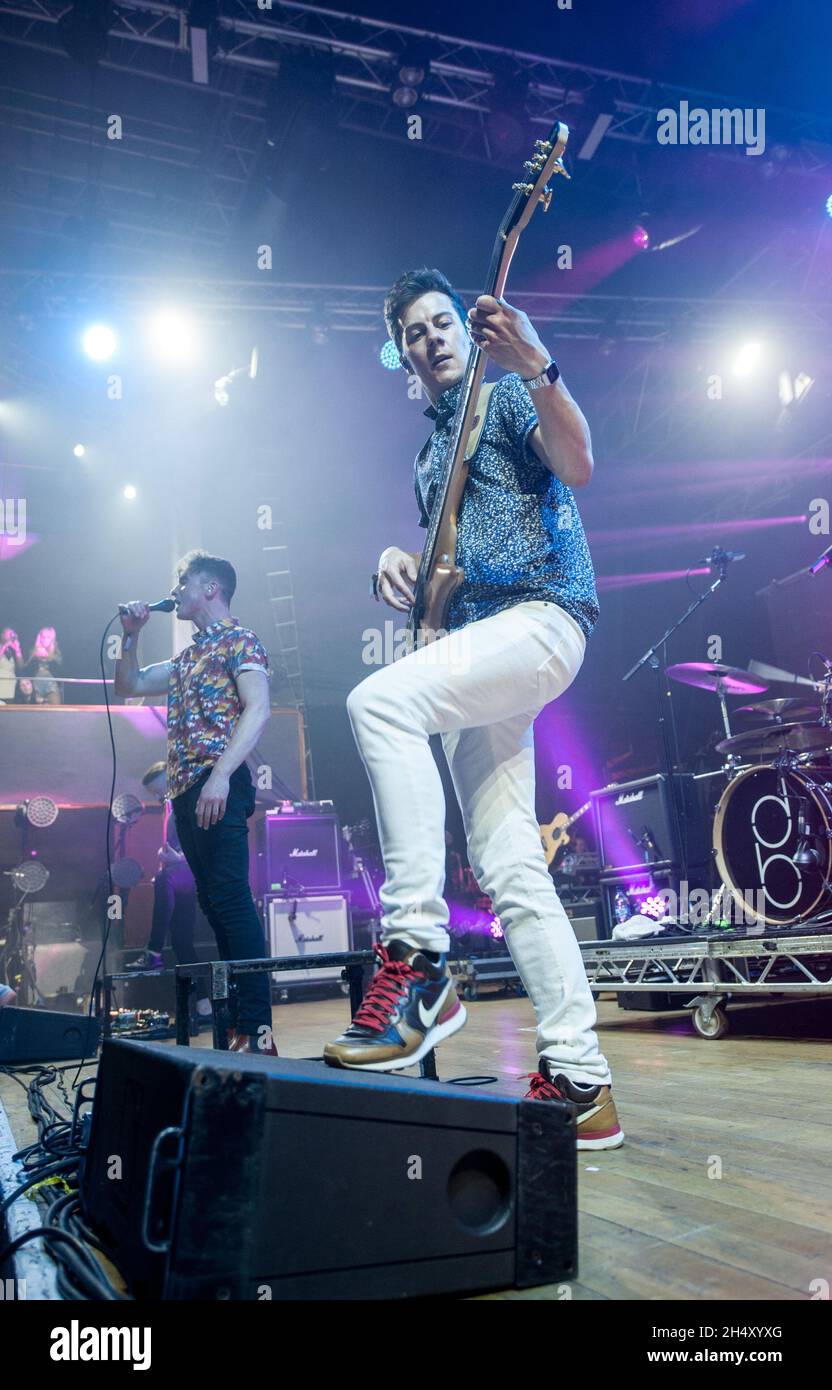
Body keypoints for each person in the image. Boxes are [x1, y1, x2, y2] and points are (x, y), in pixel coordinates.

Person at [324, 267, 623, 1149]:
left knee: (377, 703)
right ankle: (581, 1079)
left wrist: (538, 363)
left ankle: (415, 958)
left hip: (542, 619)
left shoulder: (506, 400)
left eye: (443, 322)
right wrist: (402, 566)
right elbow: (445, 581)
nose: (433, 338)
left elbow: (578, 463)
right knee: (510, 871)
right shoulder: (427, 458)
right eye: (414, 331)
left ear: (467, 328)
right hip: (478, 652)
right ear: (402, 355)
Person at [114, 551, 276, 1054]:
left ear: (211, 588)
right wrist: (133, 634)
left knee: (229, 899)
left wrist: (222, 775)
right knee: (213, 904)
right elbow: (129, 685)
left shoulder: (240, 639)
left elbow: (260, 707)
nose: (176, 589)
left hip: (218, 783)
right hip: (187, 791)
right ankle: (237, 1024)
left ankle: (260, 1029)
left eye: (184, 581)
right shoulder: (186, 658)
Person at [126, 760, 212, 1027]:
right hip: (181, 872)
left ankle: (153, 953)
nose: (156, 795)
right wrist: (167, 859)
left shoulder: (188, 799)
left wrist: (176, 860)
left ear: (169, 777)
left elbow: (205, 843)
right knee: (182, 944)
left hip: (191, 872)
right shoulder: (171, 804)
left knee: (163, 880)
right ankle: (205, 1007)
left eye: (156, 788)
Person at [28, 626, 62, 704]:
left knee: (55, 708)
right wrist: (36, 657)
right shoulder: (33, 651)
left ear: (52, 639)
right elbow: (26, 669)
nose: (45, 639)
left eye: (48, 637)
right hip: (36, 682)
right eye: (43, 637)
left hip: (50, 682)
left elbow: (61, 670)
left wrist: (49, 657)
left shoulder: (56, 652)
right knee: (37, 710)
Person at [0, 628, 23, 702]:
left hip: (11, 685)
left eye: (12, 633)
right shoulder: (3, 647)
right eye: (9, 633)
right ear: (2, 635)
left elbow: (21, 667)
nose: (11, 635)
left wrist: (17, 650)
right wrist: (4, 647)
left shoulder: (12, 649)